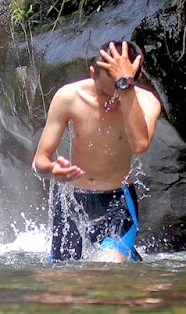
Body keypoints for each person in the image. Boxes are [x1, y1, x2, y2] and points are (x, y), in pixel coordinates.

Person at [32, 39, 164, 262]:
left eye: (118, 93)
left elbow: (140, 144)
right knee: (62, 282)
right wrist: (54, 170)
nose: (111, 102)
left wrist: (126, 88)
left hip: (117, 201)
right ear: (92, 73)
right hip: (71, 201)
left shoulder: (146, 101)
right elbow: (39, 162)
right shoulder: (69, 97)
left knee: (108, 265)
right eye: (105, 94)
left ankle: (122, 255)